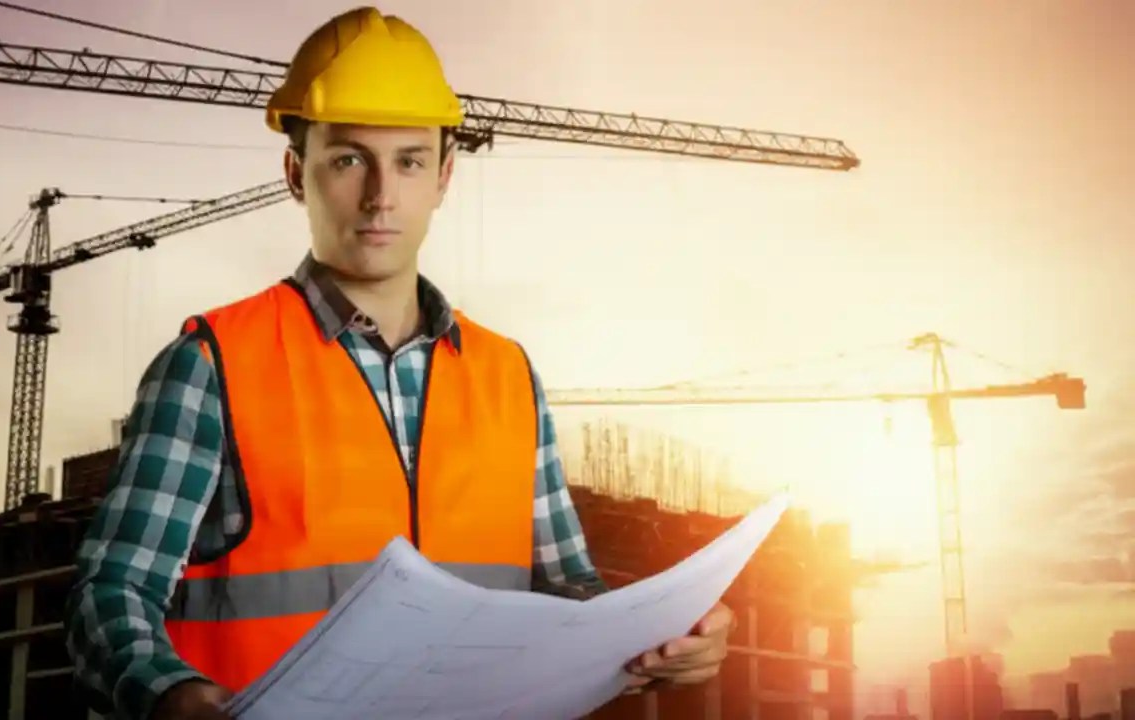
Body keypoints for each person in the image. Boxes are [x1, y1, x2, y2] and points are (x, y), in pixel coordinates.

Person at [64, 7, 734, 719]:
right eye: (349, 159)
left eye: (409, 161)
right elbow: (110, 595)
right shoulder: (212, 366)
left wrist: (659, 641)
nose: (382, 195)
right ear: (297, 173)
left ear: (444, 176)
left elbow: (568, 589)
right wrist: (173, 695)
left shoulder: (507, 375)